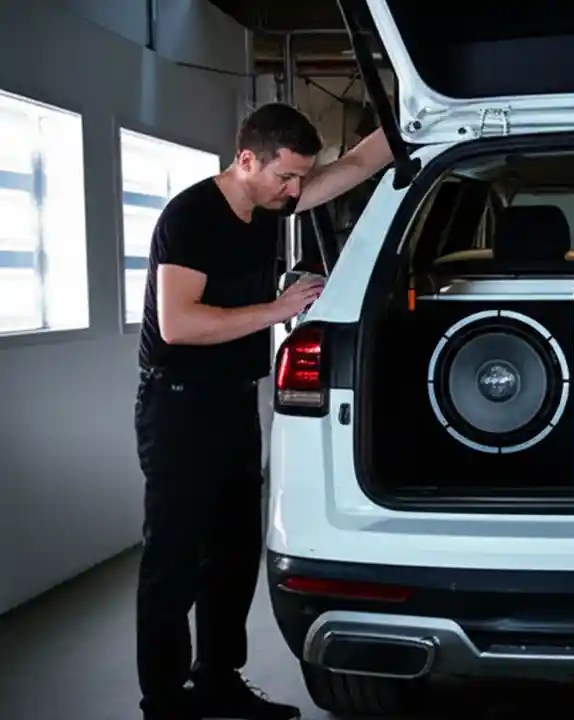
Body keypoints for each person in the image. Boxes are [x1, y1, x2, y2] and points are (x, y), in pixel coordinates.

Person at [134, 103, 393, 720]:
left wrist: (417, 106)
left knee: (232, 552)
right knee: (174, 558)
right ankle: (165, 703)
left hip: (230, 402)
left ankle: (219, 682)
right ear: (246, 159)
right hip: (177, 405)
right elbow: (178, 324)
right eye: (286, 177)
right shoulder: (192, 216)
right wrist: (278, 311)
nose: (296, 192)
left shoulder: (271, 199)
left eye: (301, 179)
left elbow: (358, 162)